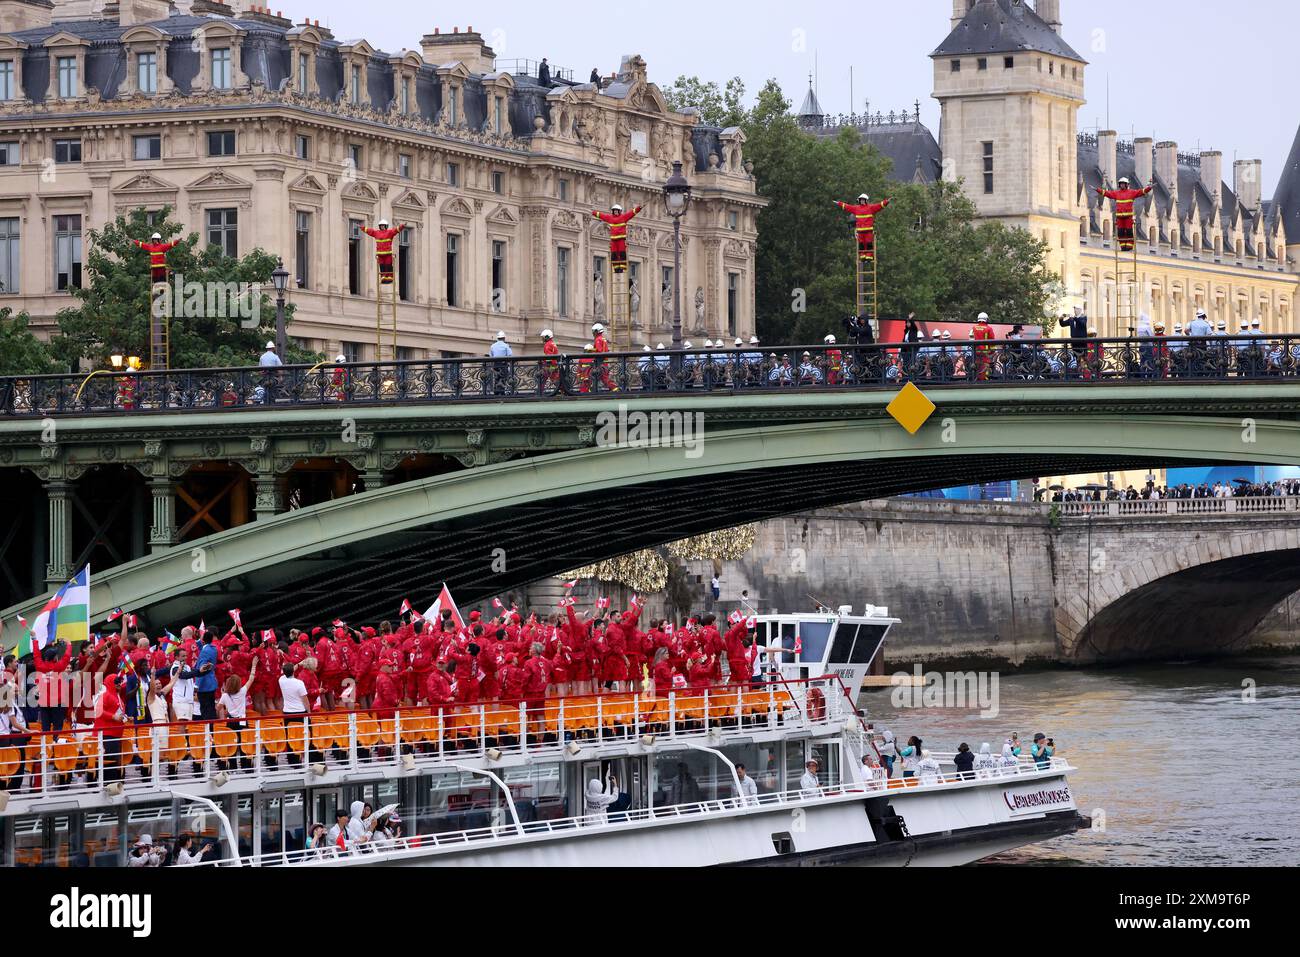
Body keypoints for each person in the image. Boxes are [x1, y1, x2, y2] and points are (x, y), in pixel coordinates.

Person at [1095, 176, 1154, 252]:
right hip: (1120, 217)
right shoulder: (1116, 193)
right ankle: (1123, 246)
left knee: (1129, 231)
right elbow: (1108, 194)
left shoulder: (1132, 192)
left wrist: (1149, 188)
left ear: (1127, 185)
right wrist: (1098, 190)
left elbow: (1141, 192)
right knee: (1120, 232)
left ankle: (1129, 246)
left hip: (1128, 216)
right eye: (1121, 184)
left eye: (1123, 184)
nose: (1122, 185)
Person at [834, 193, 890, 262]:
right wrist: (839, 203)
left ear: (866, 200)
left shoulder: (871, 208)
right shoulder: (856, 208)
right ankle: (863, 257)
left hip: (868, 230)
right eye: (861, 200)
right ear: (859, 201)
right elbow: (847, 206)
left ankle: (869, 257)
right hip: (860, 231)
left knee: (869, 243)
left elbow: (879, 206)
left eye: (863, 200)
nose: (862, 201)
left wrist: (886, 202)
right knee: (861, 244)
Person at [591, 203, 643, 274]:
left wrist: (639, 208)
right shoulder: (610, 218)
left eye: (617, 210)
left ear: (619, 211)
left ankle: (621, 267)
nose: (615, 212)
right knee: (614, 254)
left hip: (621, 239)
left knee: (622, 253)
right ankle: (616, 268)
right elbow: (601, 215)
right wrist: (592, 212)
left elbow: (632, 213)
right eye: (614, 210)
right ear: (612, 211)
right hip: (613, 240)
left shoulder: (624, 217)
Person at [362, 219, 403, 285]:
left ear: (386, 226)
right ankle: (383, 278)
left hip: (387, 253)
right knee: (382, 267)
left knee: (388, 266)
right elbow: (370, 231)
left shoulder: (389, 232)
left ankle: (389, 279)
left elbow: (396, 230)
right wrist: (362, 228)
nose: (382, 227)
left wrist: (402, 226)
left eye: (383, 226)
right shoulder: (377, 233)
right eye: (381, 226)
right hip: (380, 254)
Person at [194, 632, 219, 720]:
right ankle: (212, 730)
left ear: (203, 640)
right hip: (211, 683)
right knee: (211, 708)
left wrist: (197, 685)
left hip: (204, 685)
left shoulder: (205, 651)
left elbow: (202, 670)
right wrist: (197, 640)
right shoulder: (212, 649)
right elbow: (203, 649)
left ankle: (209, 731)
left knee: (205, 710)